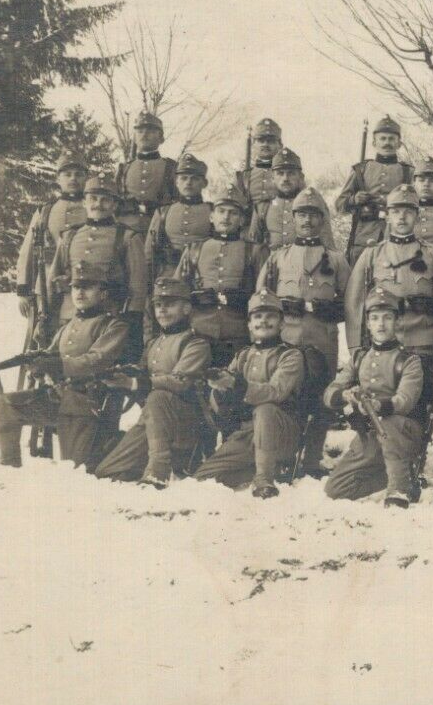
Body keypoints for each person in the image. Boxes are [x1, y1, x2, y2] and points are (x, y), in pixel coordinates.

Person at [0, 267, 131, 469]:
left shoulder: (114, 326)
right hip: (58, 399)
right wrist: (39, 364)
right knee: (5, 405)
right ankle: (9, 467)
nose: (80, 293)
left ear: (104, 293)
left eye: (88, 287)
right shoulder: (68, 326)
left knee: (77, 470)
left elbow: (96, 361)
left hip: (88, 405)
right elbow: (51, 354)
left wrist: (57, 365)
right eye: (75, 287)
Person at [259, 187, 351, 479]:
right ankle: (285, 456)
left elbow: (350, 304)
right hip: (287, 340)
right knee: (286, 397)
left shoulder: (335, 259)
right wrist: (283, 306)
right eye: (302, 215)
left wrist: (327, 310)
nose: (308, 221)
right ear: (293, 218)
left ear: (322, 220)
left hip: (322, 339)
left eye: (313, 215)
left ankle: (312, 459)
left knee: (321, 400)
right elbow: (261, 299)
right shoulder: (279, 257)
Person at [93, 277, 213, 486]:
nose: (162, 310)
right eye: (158, 305)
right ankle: (166, 460)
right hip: (154, 421)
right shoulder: (153, 343)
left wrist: (135, 383)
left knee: (158, 396)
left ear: (186, 308)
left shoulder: (195, 343)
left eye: (170, 304)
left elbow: (179, 382)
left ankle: (159, 470)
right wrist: (121, 377)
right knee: (107, 470)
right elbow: (140, 375)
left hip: (186, 423)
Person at [347, 182, 433, 424]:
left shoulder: (432, 255)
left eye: (408, 211)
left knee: (417, 414)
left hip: (423, 345)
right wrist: (355, 349)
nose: (402, 217)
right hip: (384, 347)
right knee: (378, 411)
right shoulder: (372, 255)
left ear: (417, 216)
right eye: (396, 211)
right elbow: (355, 304)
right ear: (387, 215)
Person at [193, 292, 306, 498]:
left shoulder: (290, 355)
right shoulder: (243, 355)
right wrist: (218, 389)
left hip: (281, 431)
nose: (263, 321)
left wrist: (235, 384)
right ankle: (267, 469)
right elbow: (221, 402)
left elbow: (276, 392)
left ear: (282, 324)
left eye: (270, 316)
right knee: (204, 478)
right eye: (257, 317)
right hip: (248, 433)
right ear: (249, 325)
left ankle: (265, 479)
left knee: (266, 408)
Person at [323, 286, 428, 507]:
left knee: (389, 423)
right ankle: (399, 474)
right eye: (375, 318)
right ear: (368, 324)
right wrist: (345, 394)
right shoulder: (359, 357)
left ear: (397, 322)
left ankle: (399, 490)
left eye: (387, 318)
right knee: (335, 489)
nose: (381, 324)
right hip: (369, 433)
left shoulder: (409, 360)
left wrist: (377, 405)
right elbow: (331, 391)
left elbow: (404, 401)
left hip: (402, 432)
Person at [175, 184, 266, 373]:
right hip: (198, 333)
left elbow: (264, 295)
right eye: (221, 211)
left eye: (233, 213)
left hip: (238, 334)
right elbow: (177, 293)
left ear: (241, 220)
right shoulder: (194, 249)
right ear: (211, 216)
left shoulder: (254, 251)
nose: (226, 217)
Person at [50, 176, 148, 343]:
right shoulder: (69, 236)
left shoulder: (128, 237)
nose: (98, 204)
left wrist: (131, 322)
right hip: (69, 317)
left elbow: (138, 286)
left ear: (115, 205)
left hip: (109, 319)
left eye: (105, 200)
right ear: (84, 202)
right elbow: (53, 279)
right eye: (93, 199)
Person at [16, 152, 89, 345]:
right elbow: (28, 251)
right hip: (47, 288)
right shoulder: (45, 211)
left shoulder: (94, 209)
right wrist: (24, 290)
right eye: (67, 174)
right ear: (58, 178)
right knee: (44, 340)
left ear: (86, 178)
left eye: (78, 174)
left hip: (83, 287)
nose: (73, 178)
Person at [336, 115, 414, 264]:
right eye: (382, 139)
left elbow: (417, 205)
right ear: (374, 142)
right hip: (363, 237)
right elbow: (339, 204)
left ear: (399, 143)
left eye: (391, 139)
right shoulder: (361, 169)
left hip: (396, 237)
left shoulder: (408, 172)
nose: (387, 143)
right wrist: (354, 199)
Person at [145, 152, 212, 281]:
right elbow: (149, 253)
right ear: (176, 182)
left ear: (204, 183)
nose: (188, 182)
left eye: (194, 178)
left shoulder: (212, 211)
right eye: (184, 178)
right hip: (168, 274)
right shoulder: (164, 211)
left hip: (201, 274)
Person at [115, 111, 178, 236]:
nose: (144, 135)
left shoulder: (171, 167)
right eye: (140, 131)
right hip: (126, 229)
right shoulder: (124, 168)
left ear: (161, 138)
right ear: (135, 138)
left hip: (160, 229)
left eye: (151, 131)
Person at [237, 117, 283, 231]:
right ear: (253, 144)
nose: (265, 144)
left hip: (278, 232)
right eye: (261, 140)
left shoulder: (288, 175)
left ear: (280, 145)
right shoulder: (243, 177)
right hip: (249, 236)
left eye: (270, 141)